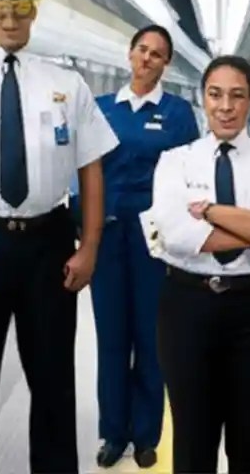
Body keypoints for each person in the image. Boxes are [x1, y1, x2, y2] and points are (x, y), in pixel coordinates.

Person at [0, 0, 119, 472]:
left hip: (48, 243)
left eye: (20, 8)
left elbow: (90, 170)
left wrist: (91, 248)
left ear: (35, 10)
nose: (9, 21)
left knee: (54, 380)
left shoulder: (67, 85)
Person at [146, 55, 250, 473]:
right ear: (203, 99)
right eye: (215, 95)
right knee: (193, 444)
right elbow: (174, 234)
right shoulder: (175, 161)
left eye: (236, 96)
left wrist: (209, 211)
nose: (225, 106)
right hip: (186, 309)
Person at [91, 24, 200, 468]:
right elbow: (85, 170)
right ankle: (113, 433)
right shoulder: (99, 109)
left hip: (155, 243)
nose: (148, 58)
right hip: (107, 238)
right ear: (129, 54)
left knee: (151, 339)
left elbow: (191, 176)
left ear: (166, 64)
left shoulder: (178, 114)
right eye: (142, 49)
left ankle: (146, 434)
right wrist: (85, 223)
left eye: (158, 54)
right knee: (111, 338)